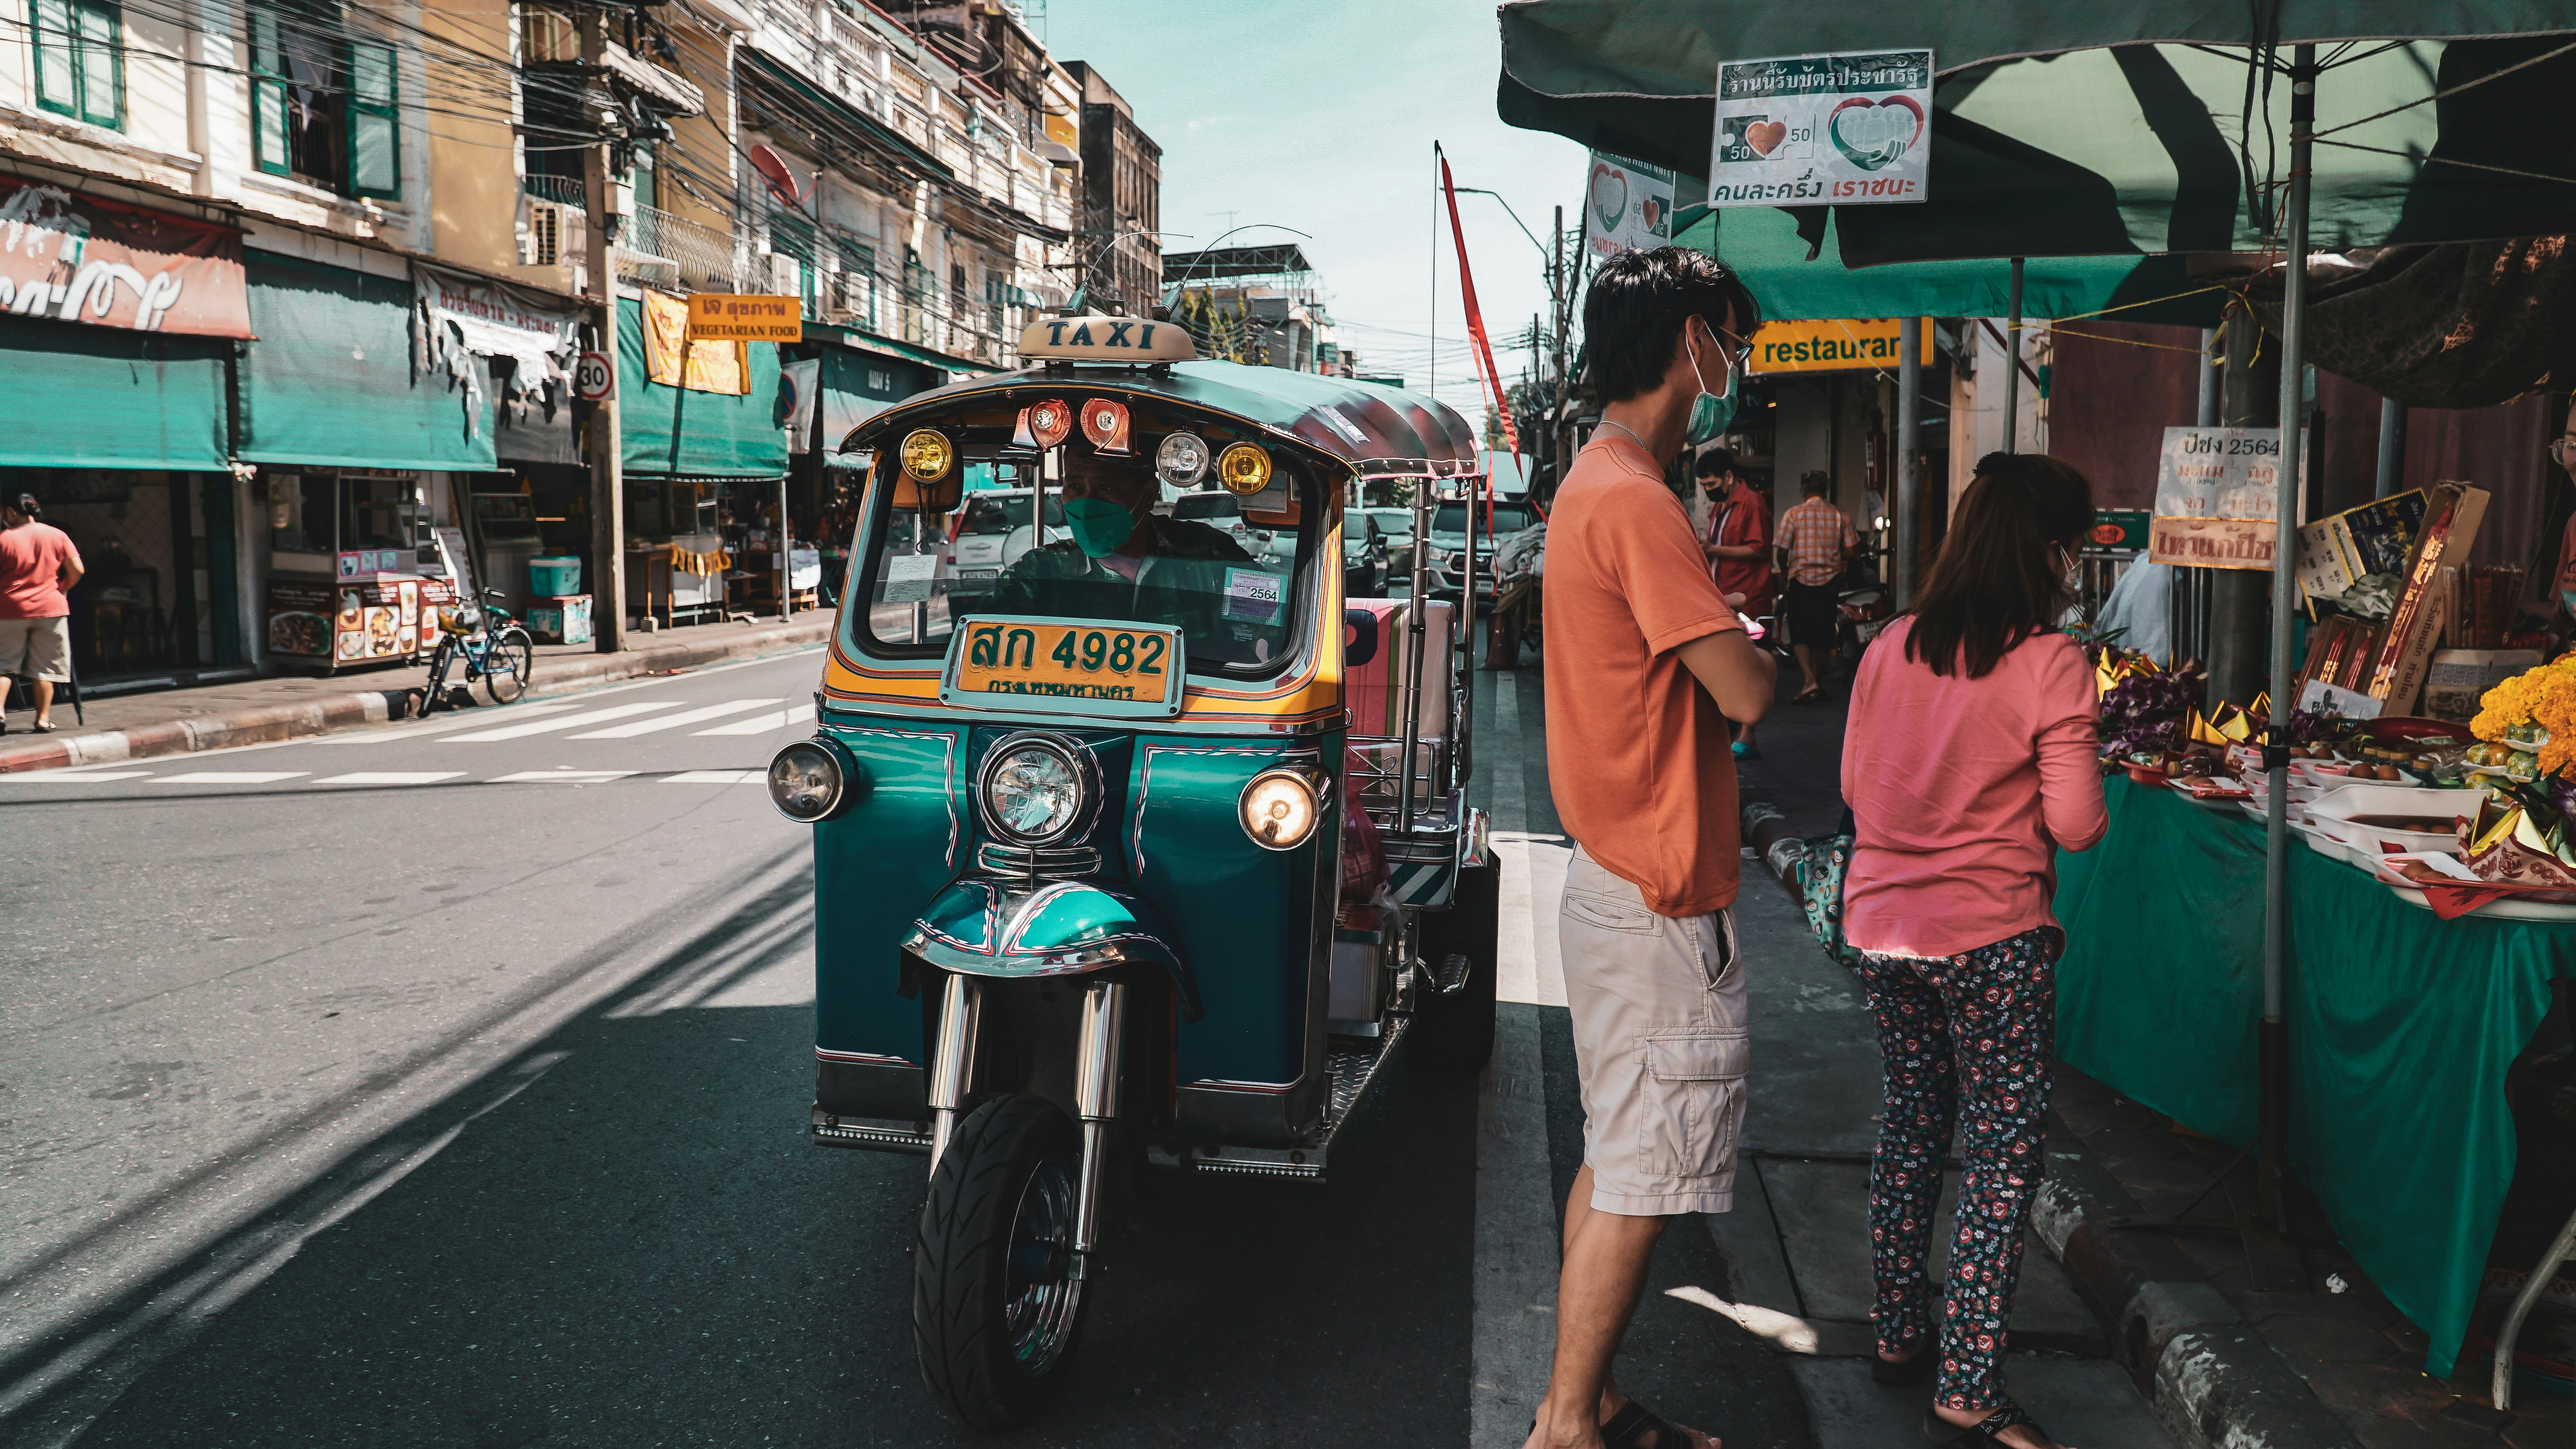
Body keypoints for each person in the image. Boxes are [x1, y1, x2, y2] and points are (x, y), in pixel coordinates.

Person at [1532, 246, 1776, 1449]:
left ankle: (1590, 1402)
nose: (1738, 364)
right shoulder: (1637, 497)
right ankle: (1567, 1425)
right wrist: (1760, 651)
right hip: (1656, 892)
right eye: (1733, 337)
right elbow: (1744, 692)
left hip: (1615, 875)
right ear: (1692, 341)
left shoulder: (1601, 480)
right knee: (1638, 1178)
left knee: (1616, 1158)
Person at [1838, 452, 2108, 1449]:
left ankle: (1899, 1332)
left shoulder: (1888, 646)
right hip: (1991, 937)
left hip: (1880, 926)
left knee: (1913, 1120)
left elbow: (1861, 791)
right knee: (2000, 1150)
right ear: (2046, 550)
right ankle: (1969, 1386)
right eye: (2073, 548)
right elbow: (2076, 825)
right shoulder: (2051, 662)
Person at [986, 450, 1282, 666]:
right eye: (1075, 486)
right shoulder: (1040, 571)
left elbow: (1275, 629)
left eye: (1105, 487)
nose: (1088, 504)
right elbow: (983, 646)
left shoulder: (1209, 552)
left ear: (1148, 494)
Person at [1697, 449, 1772, 760]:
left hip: (1748, 594)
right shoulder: (1721, 506)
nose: (1708, 489)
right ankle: (1739, 732)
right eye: (1704, 485)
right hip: (1725, 594)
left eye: (1711, 483)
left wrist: (1716, 549)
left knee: (1746, 666)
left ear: (1729, 478)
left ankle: (1748, 735)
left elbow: (1759, 549)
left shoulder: (1752, 503)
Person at [0, 491, 82, 735]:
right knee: (45, 669)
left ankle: (0, 714)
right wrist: (62, 589)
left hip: (10, 610)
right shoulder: (58, 535)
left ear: (12, 512)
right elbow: (77, 569)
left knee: (4, 666)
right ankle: (43, 720)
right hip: (51, 610)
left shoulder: (4, 539)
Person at [1774, 470, 1858, 703]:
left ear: (1803, 491)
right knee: (1823, 634)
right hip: (1830, 583)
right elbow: (1852, 551)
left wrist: (1784, 571)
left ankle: (1809, 681)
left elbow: (1781, 550)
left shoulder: (1793, 515)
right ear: (1826, 490)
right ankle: (1815, 683)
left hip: (1800, 580)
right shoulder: (1839, 515)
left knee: (1801, 632)